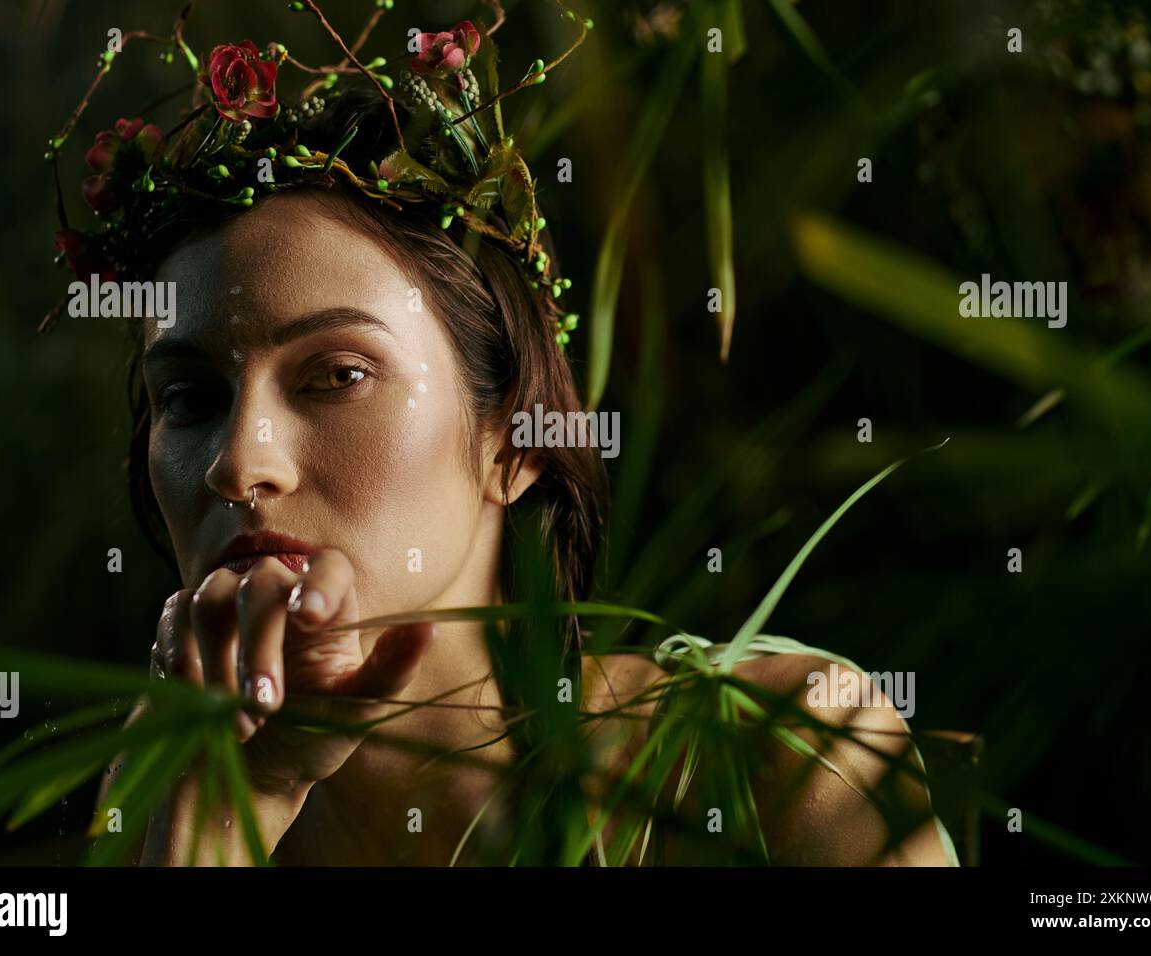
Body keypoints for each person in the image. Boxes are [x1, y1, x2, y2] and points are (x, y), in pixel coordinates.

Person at [64, 21, 956, 866]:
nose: (238, 461)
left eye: (338, 374)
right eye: (188, 397)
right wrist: (229, 808)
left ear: (513, 438)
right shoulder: (158, 806)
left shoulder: (781, 755)